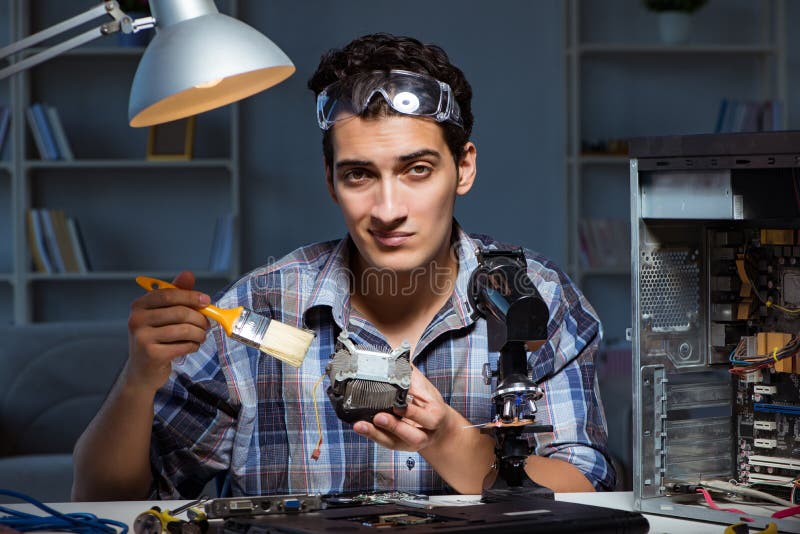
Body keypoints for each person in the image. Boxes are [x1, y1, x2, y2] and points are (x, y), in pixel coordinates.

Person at [72, 33, 615, 500]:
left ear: (464, 167)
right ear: (329, 180)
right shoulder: (259, 307)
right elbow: (104, 503)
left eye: (417, 170)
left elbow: (587, 493)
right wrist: (138, 382)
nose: (387, 208)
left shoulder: (535, 297)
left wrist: (449, 440)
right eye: (359, 175)